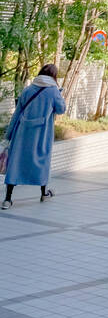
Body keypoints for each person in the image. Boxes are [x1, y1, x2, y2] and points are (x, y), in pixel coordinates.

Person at [1, 64, 66, 209]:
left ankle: (7, 199)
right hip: (42, 134)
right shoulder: (53, 91)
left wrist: (9, 135)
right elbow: (61, 109)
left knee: (15, 163)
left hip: (22, 133)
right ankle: (44, 193)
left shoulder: (29, 89)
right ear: (53, 76)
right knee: (42, 161)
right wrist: (60, 94)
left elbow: (17, 113)